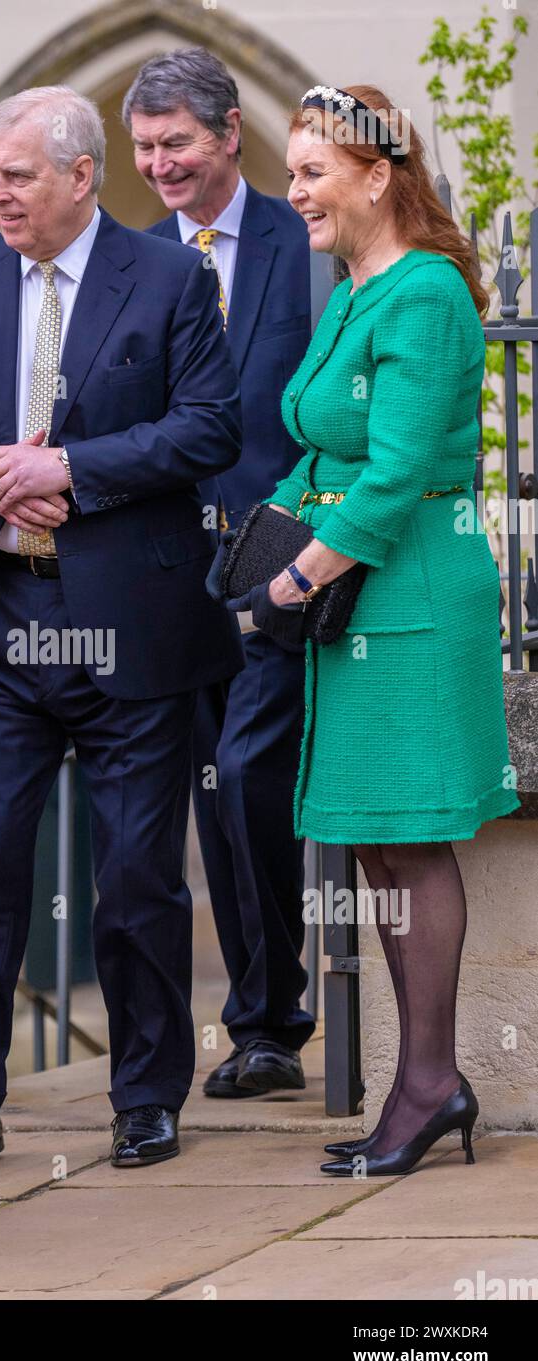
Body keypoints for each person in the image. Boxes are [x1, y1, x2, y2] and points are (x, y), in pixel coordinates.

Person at [0, 85, 242, 1176]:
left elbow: (205, 425)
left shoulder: (169, 277)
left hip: (130, 625)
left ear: (79, 176)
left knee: (139, 872)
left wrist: (70, 470)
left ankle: (145, 1095)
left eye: (13, 175)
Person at [242, 84, 519, 1176]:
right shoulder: (352, 291)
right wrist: (269, 539)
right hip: (355, 600)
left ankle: (427, 1081)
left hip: (405, 603)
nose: (293, 189)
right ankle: (428, 1082)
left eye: (311, 170)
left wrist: (294, 578)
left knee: (407, 835)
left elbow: (400, 469)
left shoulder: (423, 296)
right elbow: (322, 441)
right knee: (370, 836)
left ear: (374, 175)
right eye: (292, 169)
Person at [125, 47, 316, 1099]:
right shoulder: (141, 259)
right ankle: (262, 1024)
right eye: (144, 147)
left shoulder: (306, 243)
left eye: (176, 143)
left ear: (228, 133)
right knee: (209, 788)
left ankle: (272, 1014)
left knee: (247, 776)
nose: (158, 164)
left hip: (289, 562)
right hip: (170, 569)